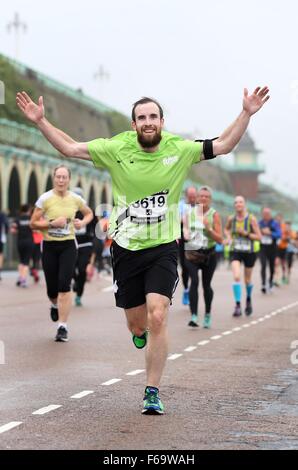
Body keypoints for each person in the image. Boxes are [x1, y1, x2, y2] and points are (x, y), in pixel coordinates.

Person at [16, 85, 269, 414]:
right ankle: (140, 331)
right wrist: (40, 122)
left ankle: (152, 390)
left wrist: (246, 113)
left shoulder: (178, 149)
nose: (148, 122)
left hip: (163, 247)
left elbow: (223, 144)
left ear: (162, 122)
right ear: (133, 124)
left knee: (158, 314)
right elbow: (70, 148)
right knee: (138, 325)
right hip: (126, 248)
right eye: (141, 117)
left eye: (153, 116)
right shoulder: (116, 147)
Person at [30, 165, 93, 342]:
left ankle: (62, 327)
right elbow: (33, 223)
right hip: (49, 246)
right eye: (58, 177)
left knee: (65, 285)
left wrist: (82, 222)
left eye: (64, 177)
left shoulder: (75, 199)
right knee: (52, 288)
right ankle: (53, 304)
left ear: (69, 180)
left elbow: (89, 213)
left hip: (68, 246)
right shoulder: (45, 199)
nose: (61, 180)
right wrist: (51, 224)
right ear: (53, 178)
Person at [183, 186, 223, 329]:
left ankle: (207, 314)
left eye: (207, 196)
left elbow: (220, 239)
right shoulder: (190, 212)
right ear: (197, 198)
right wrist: (186, 233)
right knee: (194, 281)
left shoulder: (214, 215)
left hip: (209, 254)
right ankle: (194, 316)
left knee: (206, 285)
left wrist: (209, 229)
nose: (203, 198)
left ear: (210, 199)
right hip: (192, 253)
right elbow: (185, 228)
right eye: (201, 196)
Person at [225, 196, 261, 317]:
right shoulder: (231, 219)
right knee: (236, 276)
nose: (238, 204)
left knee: (247, 280)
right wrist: (229, 237)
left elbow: (259, 236)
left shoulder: (251, 219)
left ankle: (248, 300)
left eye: (240, 202)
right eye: (236, 202)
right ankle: (238, 305)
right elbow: (226, 229)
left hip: (249, 252)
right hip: (236, 250)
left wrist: (247, 234)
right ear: (234, 205)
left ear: (244, 204)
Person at [72, 187, 98, 306]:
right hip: (71, 244)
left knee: (82, 270)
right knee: (71, 269)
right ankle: (75, 282)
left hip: (86, 245)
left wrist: (94, 242)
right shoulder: (68, 210)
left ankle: (78, 294)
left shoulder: (89, 211)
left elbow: (96, 228)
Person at [178, 187, 197, 306]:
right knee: (184, 266)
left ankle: (192, 290)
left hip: (195, 239)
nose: (192, 198)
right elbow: (176, 219)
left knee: (193, 266)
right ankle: (186, 289)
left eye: (194, 196)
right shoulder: (180, 205)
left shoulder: (199, 207)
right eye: (190, 196)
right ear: (186, 195)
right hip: (182, 238)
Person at [11, 204, 35, 288]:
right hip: (29, 242)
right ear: (28, 210)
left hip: (20, 242)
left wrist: (19, 231)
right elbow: (35, 228)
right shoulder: (31, 219)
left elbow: (13, 230)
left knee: (21, 261)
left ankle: (21, 277)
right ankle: (23, 280)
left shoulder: (17, 219)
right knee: (26, 262)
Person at [258, 207, 281, 293]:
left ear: (270, 214)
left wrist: (270, 233)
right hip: (262, 248)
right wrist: (261, 232)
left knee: (272, 267)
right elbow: (254, 232)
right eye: (264, 213)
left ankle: (270, 282)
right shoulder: (259, 223)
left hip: (272, 248)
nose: (266, 215)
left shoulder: (274, 223)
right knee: (263, 265)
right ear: (262, 214)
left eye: (267, 213)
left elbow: (279, 234)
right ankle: (263, 284)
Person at [0, 211, 9, 280]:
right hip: (0, 238)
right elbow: (6, 225)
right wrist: (6, 232)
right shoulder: (2, 214)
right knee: (0, 254)